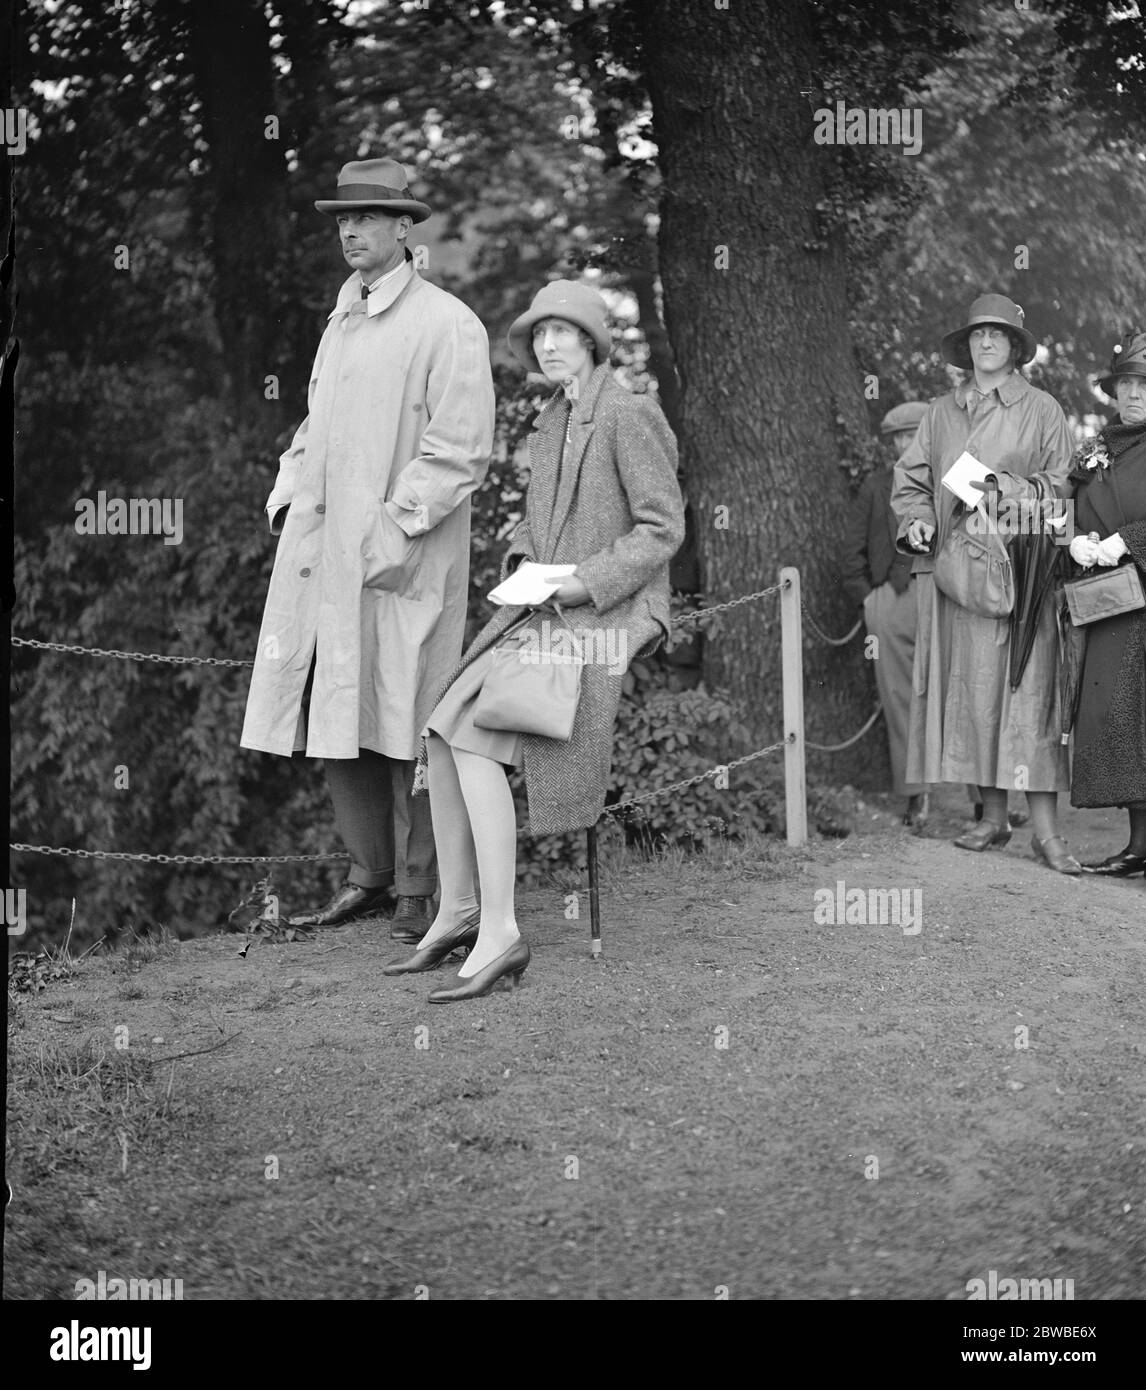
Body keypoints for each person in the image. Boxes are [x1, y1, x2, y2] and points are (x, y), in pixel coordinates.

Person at [383, 280, 686, 1002]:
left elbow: (663, 530)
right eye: (538, 336)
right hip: (543, 607)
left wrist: (580, 583)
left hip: (608, 614)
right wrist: (523, 568)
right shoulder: (552, 419)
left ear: (591, 341)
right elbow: (530, 527)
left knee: (481, 738)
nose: (547, 347)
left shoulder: (627, 412)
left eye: (561, 334)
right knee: (442, 725)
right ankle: (460, 910)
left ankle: (501, 934)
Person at [240, 158, 495, 936]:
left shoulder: (447, 322)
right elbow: (315, 427)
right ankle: (370, 875)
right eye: (342, 219)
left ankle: (424, 890)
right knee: (336, 704)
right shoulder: (341, 319)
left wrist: (389, 528)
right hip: (327, 552)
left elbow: (459, 450)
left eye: (368, 217)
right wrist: (287, 498)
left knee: (410, 712)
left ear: (402, 227)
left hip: (403, 557)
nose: (350, 230)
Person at [891, 293, 1079, 871]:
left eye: (998, 335)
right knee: (973, 693)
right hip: (958, 576)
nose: (987, 342)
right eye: (978, 335)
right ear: (967, 346)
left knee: (1028, 696)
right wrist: (919, 525)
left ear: (1016, 347)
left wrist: (998, 488)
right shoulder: (940, 414)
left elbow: (1062, 490)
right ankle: (992, 820)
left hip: (1024, 573)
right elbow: (911, 484)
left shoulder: (1042, 409)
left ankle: (1046, 834)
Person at [1066, 330, 1146, 878]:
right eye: (1127, 383)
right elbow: (1066, 510)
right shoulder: (1095, 451)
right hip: (1111, 602)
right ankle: (1139, 843)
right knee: (1118, 716)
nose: (1136, 394)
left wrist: (1131, 540)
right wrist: (1074, 539)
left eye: (1145, 384)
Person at [841, 401, 930, 827]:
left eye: (913, 434)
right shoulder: (878, 486)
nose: (905, 443)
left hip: (946, 596)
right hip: (893, 600)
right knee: (900, 699)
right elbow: (850, 550)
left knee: (964, 691)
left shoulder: (954, 480)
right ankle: (916, 796)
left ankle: (987, 802)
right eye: (898, 437)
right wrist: (871, 600)